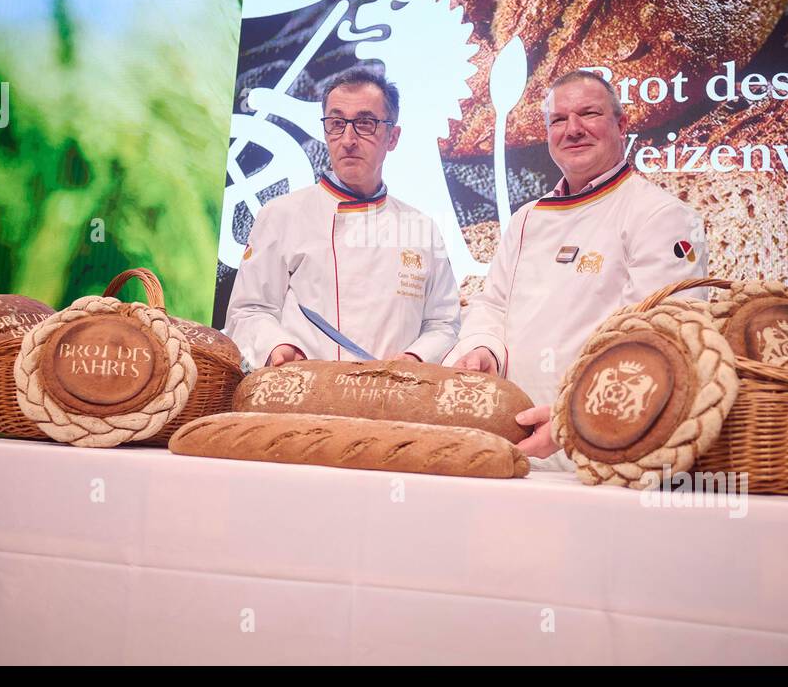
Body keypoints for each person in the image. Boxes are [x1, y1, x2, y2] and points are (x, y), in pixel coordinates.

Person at [447, 70, 708, 469]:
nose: (573, 130)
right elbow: (492, 305)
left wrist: (575, 420)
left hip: (604, 450)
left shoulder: (660, 216)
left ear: (621, 125)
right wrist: (481, 348)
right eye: (558, 120)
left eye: (588, 114)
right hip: (513, 443)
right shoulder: (525, 220)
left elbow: (663, 343)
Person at [224, 67, 460, 367]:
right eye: (336, 123)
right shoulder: (281, 216)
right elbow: (249, 311)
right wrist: (277, 347)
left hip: (392, 398)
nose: (348, 139)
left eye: (364, 123)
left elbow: (444, 324)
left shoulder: (422, 229)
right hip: (305, 395)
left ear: (393, 137)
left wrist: (415, 358)